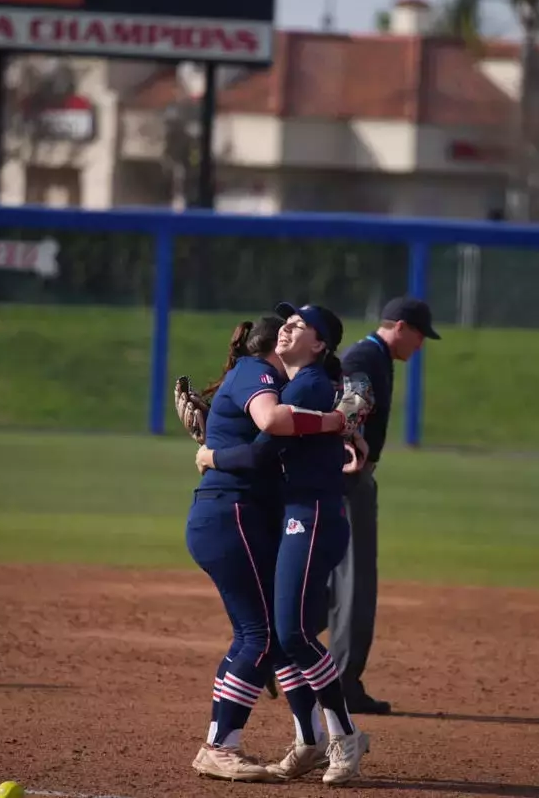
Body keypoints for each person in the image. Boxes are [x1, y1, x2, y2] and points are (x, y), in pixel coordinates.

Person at [196, 302, 372, 785]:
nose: (287, 328)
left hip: (311, 515)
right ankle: (313, 740)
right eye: (287, 322)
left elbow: (263, 446)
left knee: (290, 635)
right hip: (304, 512)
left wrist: (211, 451)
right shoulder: (303, 384)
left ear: (319, 344)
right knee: (285, 635)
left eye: (300, 325)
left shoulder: (308, 384)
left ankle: (342, 736)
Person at [327, 296, 441, 715]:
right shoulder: (364, 356)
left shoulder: (375, 355)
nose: (421, 345)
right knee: (355, 582)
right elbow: (352, 399)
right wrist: (351, 441)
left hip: (349, 476)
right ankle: (342, 684)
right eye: (420, 335)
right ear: (401, 327)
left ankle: (272, 649)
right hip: (349, 478)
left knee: (337, 583)